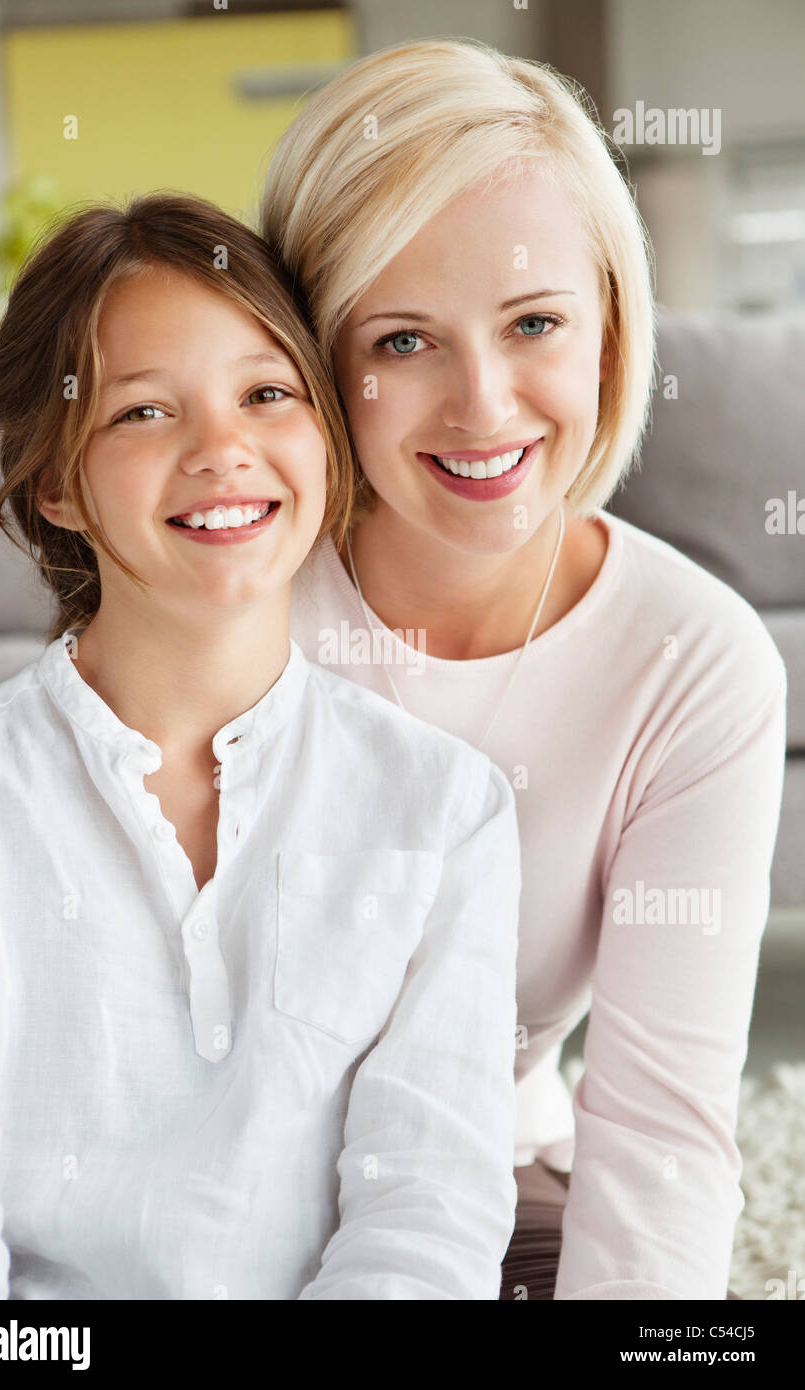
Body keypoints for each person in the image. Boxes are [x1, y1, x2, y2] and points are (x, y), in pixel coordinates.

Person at [258, 37, 788, 1299]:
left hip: (481, 1179)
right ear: (313, 358)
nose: (483, 405)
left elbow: (658, 1129)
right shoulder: (232, 592)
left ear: (610, 330)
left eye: (533, 322)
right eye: (400, 341)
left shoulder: (693, 660)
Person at [0, 192, 522, 1300]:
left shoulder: (445, 808)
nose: (222, 449)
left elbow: (425, 1212)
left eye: (266, 394)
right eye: (143, 413)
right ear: (56, 483)